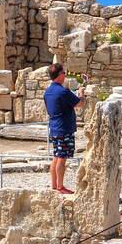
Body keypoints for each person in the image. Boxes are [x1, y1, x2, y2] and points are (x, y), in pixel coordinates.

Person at [44, 63, 84, 194]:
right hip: (64, 128)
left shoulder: (48, 91)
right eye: (63, 73)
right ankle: (60, 187)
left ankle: (55, 185)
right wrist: (81, 94)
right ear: (60, 75)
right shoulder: (63, 91)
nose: (65, 75)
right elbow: (80, 103)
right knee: (62, 157)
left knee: (56, 156)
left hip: (54, 127)